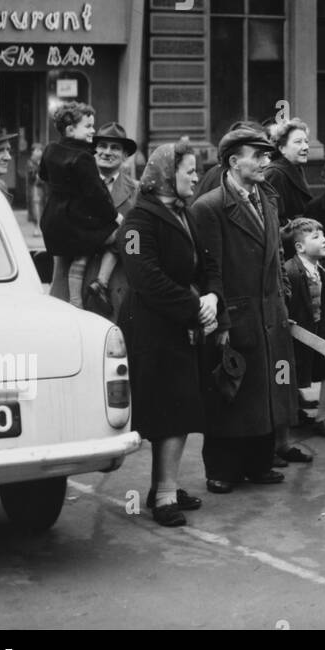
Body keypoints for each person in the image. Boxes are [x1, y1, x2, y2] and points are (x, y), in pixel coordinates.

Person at [188, 127, 298, 492]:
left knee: (266, 390)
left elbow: (277, 258)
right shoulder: (209, 206)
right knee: (231, 392)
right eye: (259, 155)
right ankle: (221, 470)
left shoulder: (267, 199)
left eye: (268, 155)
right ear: (234, 162)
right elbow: (208, 270)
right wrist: (220, 322)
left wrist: (283, 301)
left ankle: (259, 463)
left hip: (270, 312)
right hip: (235, 314)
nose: (267, 161)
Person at [119, 142, 220, 528]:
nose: (196, 177)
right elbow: (145, 278)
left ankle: (166, 486)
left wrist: (212, 296)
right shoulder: (138, 221)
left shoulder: (186, 215)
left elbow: (206, 263)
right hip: (149, 327)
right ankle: (163, 496)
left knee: (178, 406)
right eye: (189, 171)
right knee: (167, 409)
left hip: (179, 323)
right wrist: (195, 307)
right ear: (165, 175)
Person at [39, 102, 120, 312]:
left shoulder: (50, 149)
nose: (93, 130)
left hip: (54, 220)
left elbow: (43, 175)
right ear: (70, 129)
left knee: (84, 251)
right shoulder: (84, 157)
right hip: (76, 223)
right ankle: (96, 286)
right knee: (120, 234)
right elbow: (97, 195)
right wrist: (115, 217)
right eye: (88, 126)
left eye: (115, 148)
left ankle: (82, 299)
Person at [283, 217, 325, 445]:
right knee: (283, 375)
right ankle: (288, 416)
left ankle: (324, 415)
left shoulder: (320, 270)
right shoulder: (291, 272)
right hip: (293, 339)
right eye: (316, 237)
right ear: (300, 247)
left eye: (323, 235)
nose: (324, 240)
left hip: (317, 334)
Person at [90, 122, 140, 322]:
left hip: (121, 281)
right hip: (82, 278)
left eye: (115, 148)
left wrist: (122, 240)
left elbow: (136, 241)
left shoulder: (137, 190)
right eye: (102, 146)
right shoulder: (77, 185)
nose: (107, 152)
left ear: (125, 155)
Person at [265, 119, 315, 236]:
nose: (305, 147)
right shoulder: (275, 173)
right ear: (282, 148)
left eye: (306, 142)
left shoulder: (295, 168)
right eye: (298, 142)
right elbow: (275, 219)